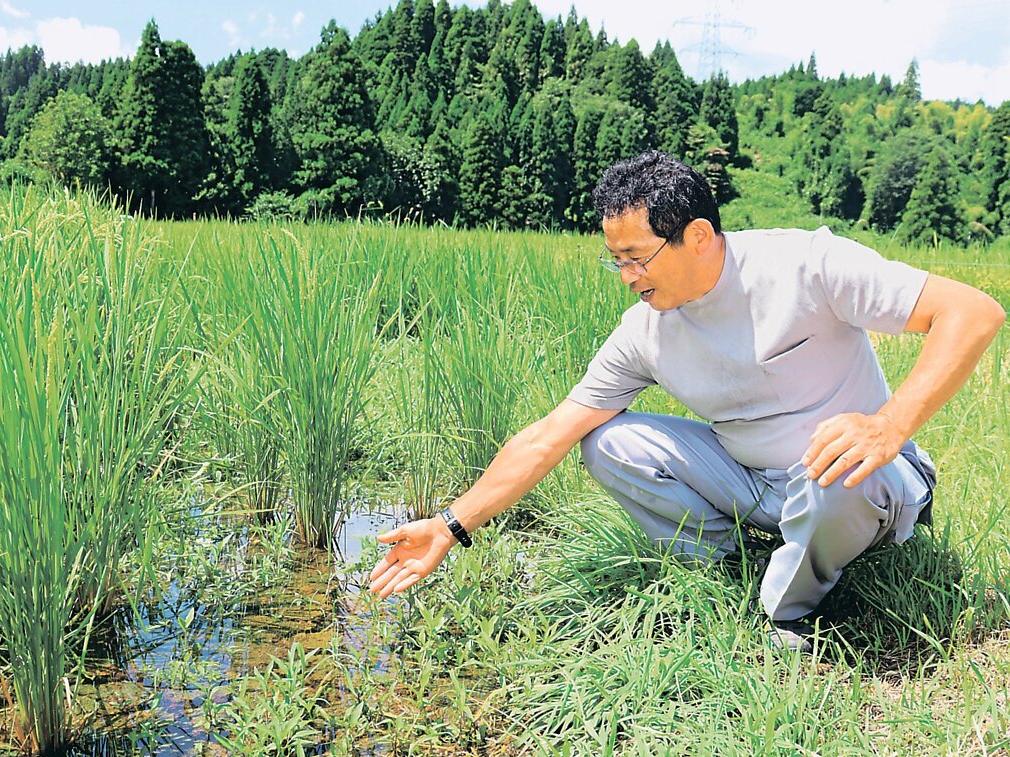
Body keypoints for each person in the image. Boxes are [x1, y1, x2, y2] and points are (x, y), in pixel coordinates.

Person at [367, 150, 1006, 651]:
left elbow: (971, 312)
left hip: (864, 483)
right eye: (614, 260)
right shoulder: (646, 329)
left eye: (637, 258)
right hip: (751, 481)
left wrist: (889, 424)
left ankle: (785, 614)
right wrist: (449, 526)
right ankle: (726, 567)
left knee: (834, 465)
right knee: (607, 441)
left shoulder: (807, 265)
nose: (626, 277)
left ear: (697, 236)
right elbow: (548, 434)